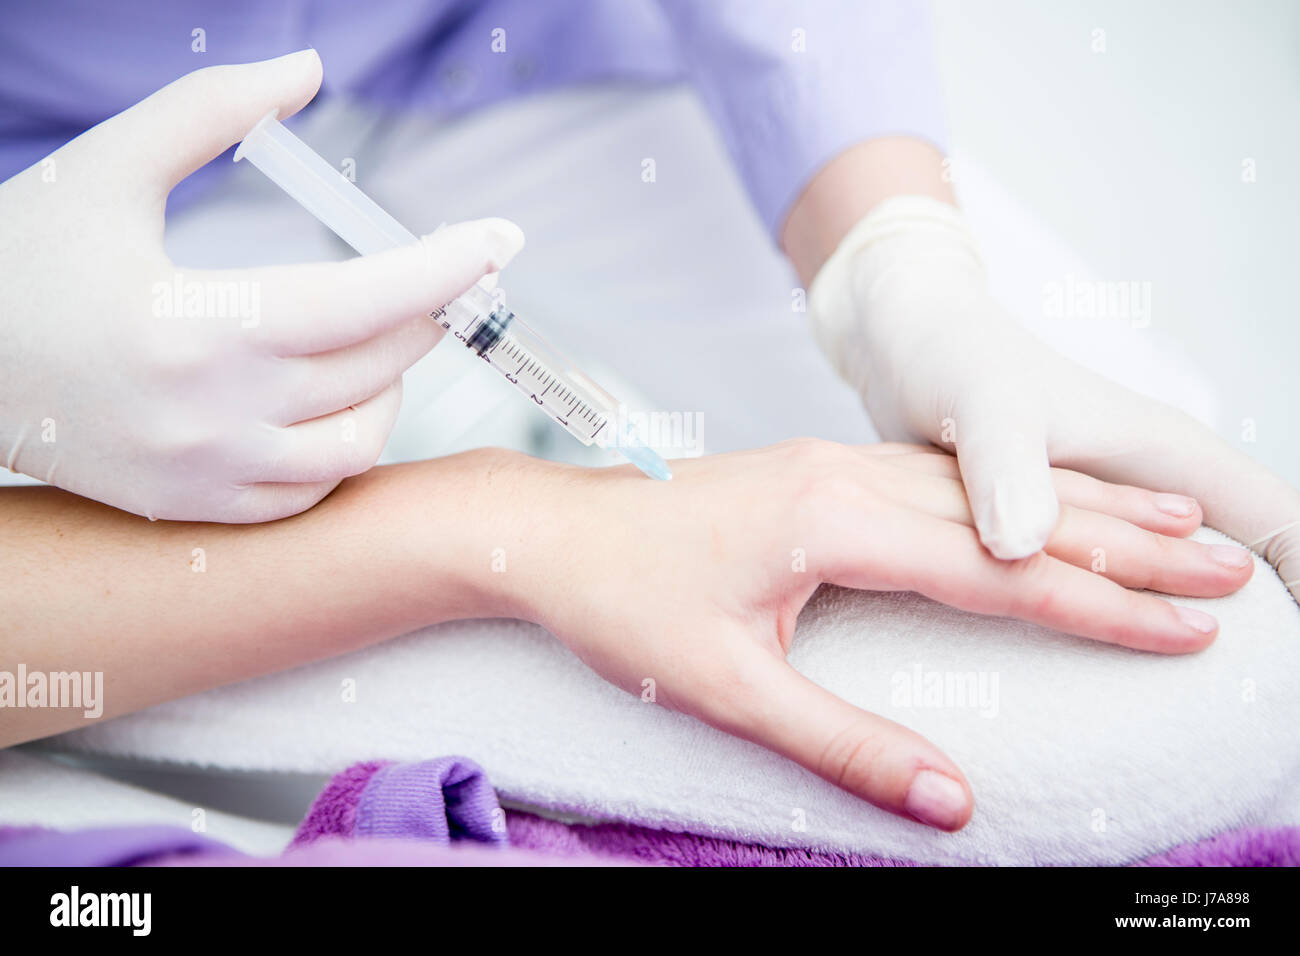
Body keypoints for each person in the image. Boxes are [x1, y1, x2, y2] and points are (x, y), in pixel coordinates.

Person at [0, 3, 1293, 829]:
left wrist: (896, 261)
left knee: (1192, 622)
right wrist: (508, 529)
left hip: (507, 42)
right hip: (58, 180)